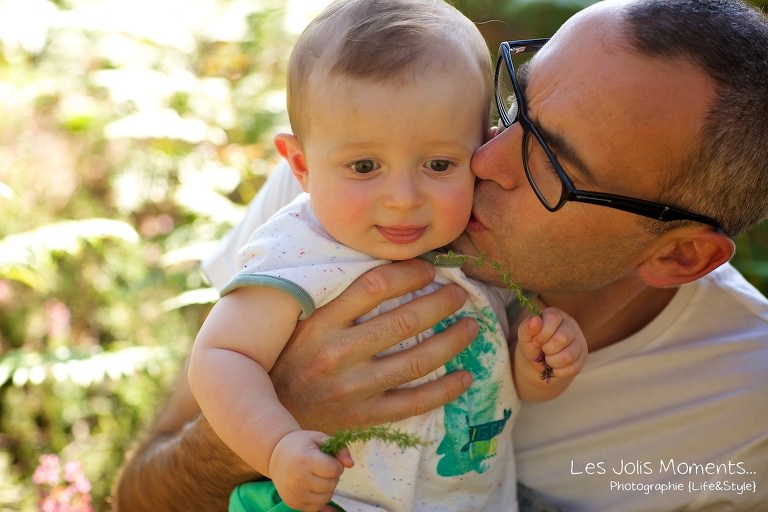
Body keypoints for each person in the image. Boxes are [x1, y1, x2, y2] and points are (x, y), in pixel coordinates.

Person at [112, 0, 768, 511]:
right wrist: (274, 423)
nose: (483, 157)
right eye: (516, 104)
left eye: (555, 165)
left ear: (681, 256)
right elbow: (139, 496)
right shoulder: (341, 198)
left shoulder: (746, 409)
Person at [187, 1, 587, 511]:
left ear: (482, 151)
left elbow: (506, 382)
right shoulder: (300, 252)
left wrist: (540, 364)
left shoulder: (478, 247)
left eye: (439, 163)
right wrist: (276, 445)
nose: (403, 197)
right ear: (301, 166)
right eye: (364, 165)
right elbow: (221, 357)